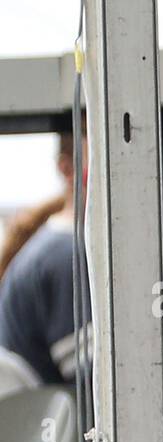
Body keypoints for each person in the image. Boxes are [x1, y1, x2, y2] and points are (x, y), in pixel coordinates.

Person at [0, 130, 81, 384]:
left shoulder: (53, 247)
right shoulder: (66, 257)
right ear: (67, 168)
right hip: (51, 421)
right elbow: (95, 386)